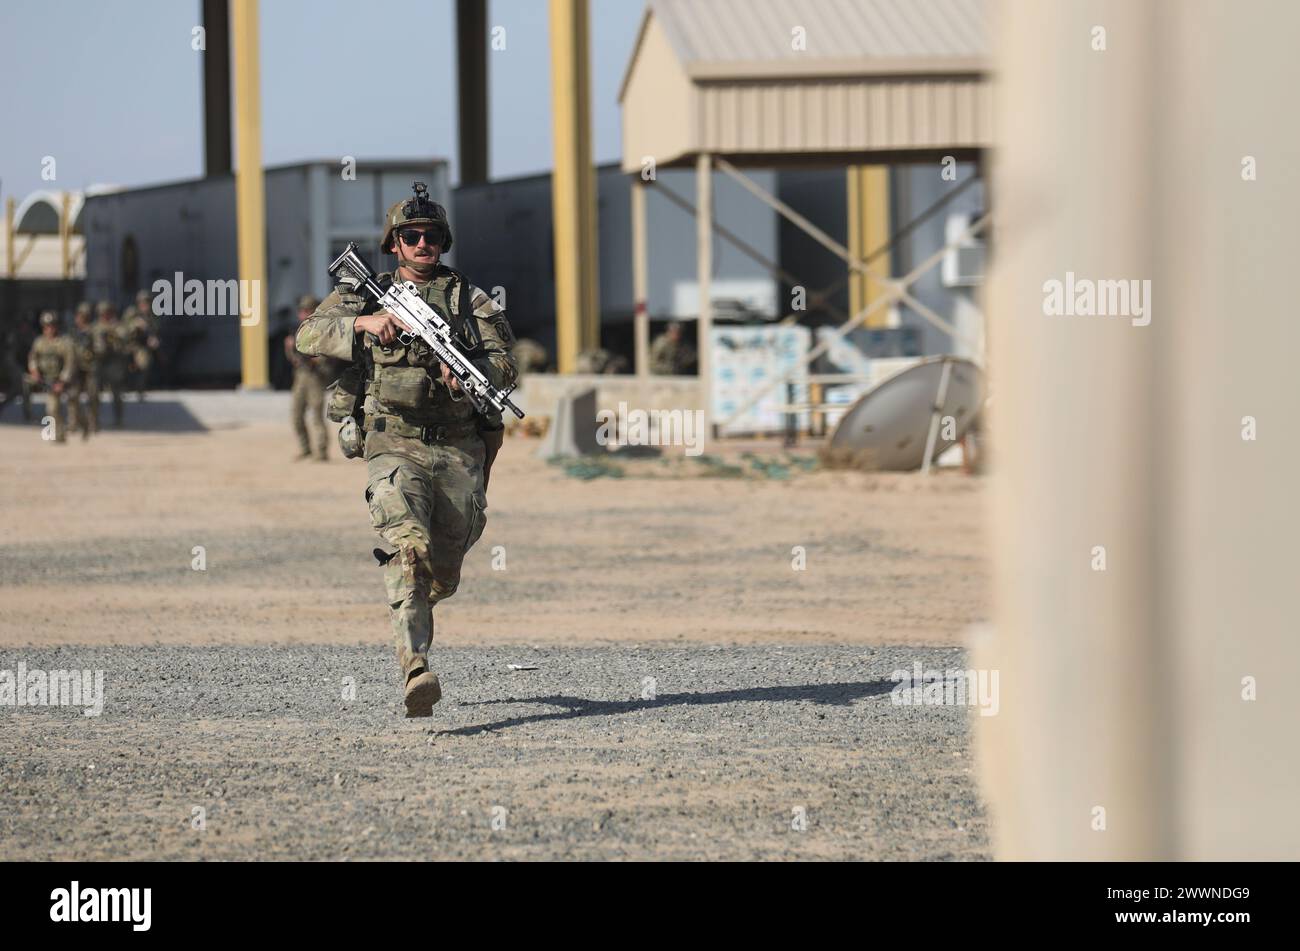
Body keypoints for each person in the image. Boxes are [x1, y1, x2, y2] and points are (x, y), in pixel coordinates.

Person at [295, 183, 518, 718]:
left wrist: (470, 373)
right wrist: (363, 324)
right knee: (406, 548)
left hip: (459, 448)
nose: (422, 244)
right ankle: (416, 668)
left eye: (431, 236)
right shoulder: (366, 294)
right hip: (394, 441)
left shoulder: (471, 300)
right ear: (393, 244)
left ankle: (415, 601)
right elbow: (307, 335)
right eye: (411, 236)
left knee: (442, 572)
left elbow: (505, 365)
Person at [285, 294, 332, 461]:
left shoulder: (323, 330)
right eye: (301, 310)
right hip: (301, 376)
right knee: (296, 415)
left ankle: (321, 452)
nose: (302, 314)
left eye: (306, 310)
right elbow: (295, 360)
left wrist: (314, 360)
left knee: (317, 416)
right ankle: (305, 449)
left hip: (315, 378)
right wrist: (290, 348)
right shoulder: (298, 330)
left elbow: (326, 356)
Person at [27, 311, 75, 442]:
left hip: (60, 380)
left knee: (62, 405)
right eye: (46, 326)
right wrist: (34, 371)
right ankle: (57, 432)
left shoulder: (64, 343)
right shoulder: (39, 342)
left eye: (52, 326)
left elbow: (69, 363)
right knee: (52, 408)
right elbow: (32, 358)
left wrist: (62, 381)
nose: (49, 329)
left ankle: (65, 429)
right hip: (45, 379)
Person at [93, 301, 131, 427]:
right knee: (94, 392)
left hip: (114, 363)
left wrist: (112, 335)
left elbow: (124, 337)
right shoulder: (96, 327)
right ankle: (94, 419)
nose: (104, 316)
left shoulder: (119, 326)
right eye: (102, 314)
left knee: (117, 394)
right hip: (99, 363)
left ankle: (119, 419)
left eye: (106, 313)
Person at [68, 302, 100, 438]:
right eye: (79, 316)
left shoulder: (94, 331)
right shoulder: (72, 332)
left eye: (84, 316)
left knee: (92, 396)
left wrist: (92, 352)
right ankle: (73, 423)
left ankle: (93, 423)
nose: (80, 318)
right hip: (76, 368)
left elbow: (100, 348)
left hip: (90, 368)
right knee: (73, 396)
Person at [123, 290, 160, 402]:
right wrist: (135, 325)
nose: (145, 304)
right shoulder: (131, 313)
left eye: (148, 302)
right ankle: (124, 388)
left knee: (144, 364)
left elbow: (155, 330)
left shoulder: (152, 315)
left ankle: (140, 389)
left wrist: (153, 339)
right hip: (128, 344)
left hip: (141, 346)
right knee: (124, 366)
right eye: (143, 302)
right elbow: (123, 328)